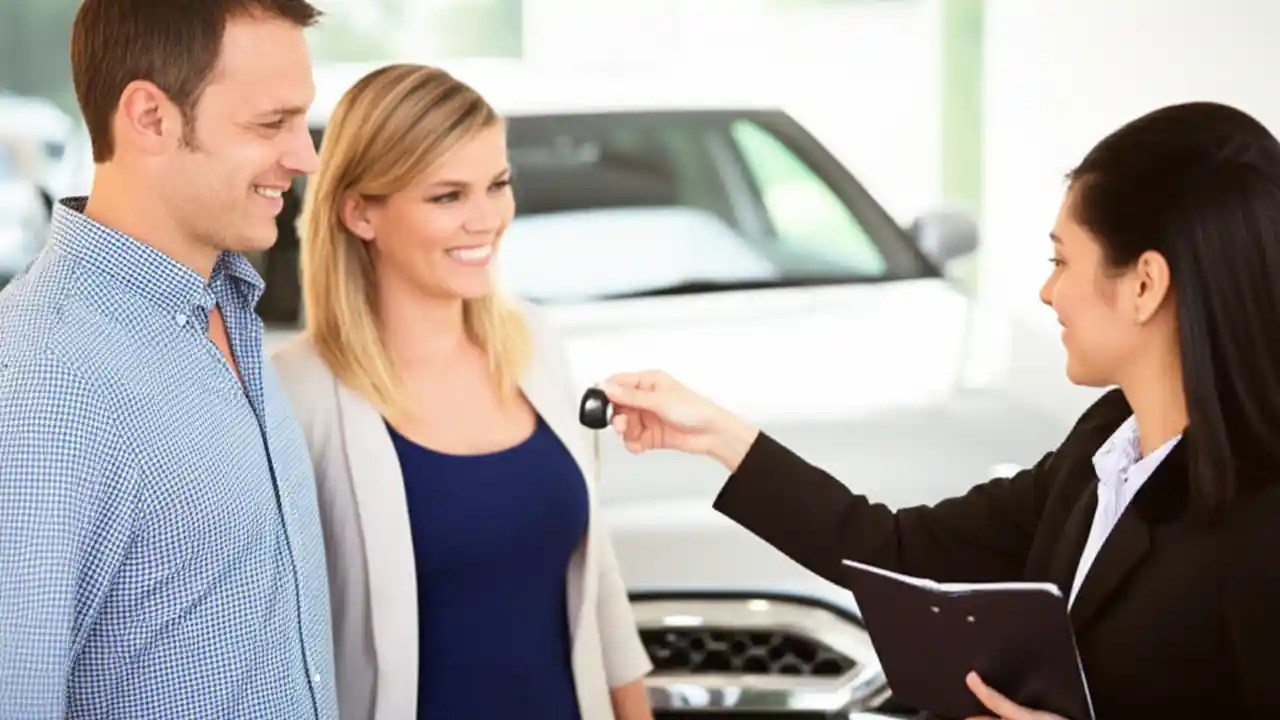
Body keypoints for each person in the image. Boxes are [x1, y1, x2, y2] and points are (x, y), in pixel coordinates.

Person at [597, 101, 1280, 720]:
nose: (1047, 292)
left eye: (1061, 260)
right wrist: (720, 436)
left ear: (1144, 284)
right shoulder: (1103, 448)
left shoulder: (1259, 514)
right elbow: (896, 549)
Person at [271, 64, 654, 720]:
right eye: (447, 196)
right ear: (360, 211)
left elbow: (597, 580)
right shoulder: (296, 394)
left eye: (497, 185)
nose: (486, 220)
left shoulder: (534, 341)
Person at [0, 1, 336, 717]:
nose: (305, 156)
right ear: (150, 117)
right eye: (269, 123)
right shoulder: (37, 381)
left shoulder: (232, 307)